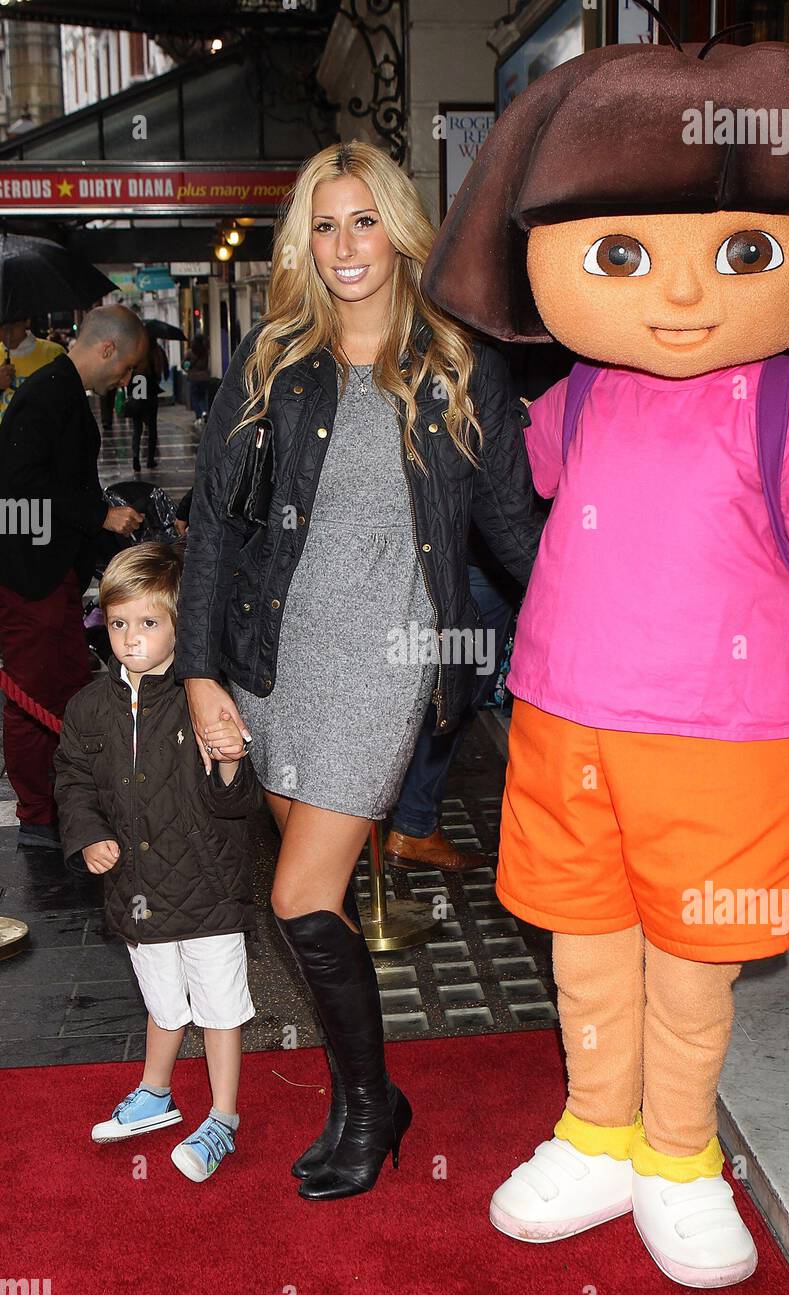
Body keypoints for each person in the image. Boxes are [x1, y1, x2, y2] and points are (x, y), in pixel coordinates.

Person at [423, 37, 789, 1287]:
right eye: (621, 255)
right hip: (566, 723)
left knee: (694, 968)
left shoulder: (788, 405)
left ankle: (681, 1155)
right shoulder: (574, 397)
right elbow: (551, 512)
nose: (679, 296)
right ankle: (599, 1130)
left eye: (740, 253)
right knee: (583, 946)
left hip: (730, 742)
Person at [173, 138, 545, 1202]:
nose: (345, 245)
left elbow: (514, 532)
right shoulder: (273, 362)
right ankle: (362, 1092)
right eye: (325, 224)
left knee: (296, 896)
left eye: (364, 220)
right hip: (273, 653)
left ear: (400, 230)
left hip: (387, 658)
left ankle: (373, 1107)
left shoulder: (459, 365)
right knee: (318, 900)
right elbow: (216, 534)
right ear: (306, 240)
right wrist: (201, 676)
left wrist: (616, 603)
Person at [53, 543, 262, 1182]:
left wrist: (228, 759)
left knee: (220, 1008)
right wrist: (88, 834)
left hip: (209, 888)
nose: (131, 638)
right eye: (119, 624)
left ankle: (223, 1116)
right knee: (163, 1001)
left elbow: (241, 802)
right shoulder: (91, 707)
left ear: (179, 625)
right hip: (137, 889)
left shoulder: (202, 698)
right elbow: (74, 779)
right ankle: (156, 1092)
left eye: (148, 623)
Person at [0, 303, 147, 848]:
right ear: (106, 348)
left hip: (53, 574)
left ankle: (63, 803)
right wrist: (98, 514)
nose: (126, 380)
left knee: (62, 688)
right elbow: (14, 490)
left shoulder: (63, 392)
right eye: (128, 367)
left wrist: (100, 513)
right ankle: (37, 812)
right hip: (28, 576)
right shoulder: (47, 392)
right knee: (32, 694)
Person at [385, 528, 520, 871]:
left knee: (425, 691)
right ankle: (412, 826)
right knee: (452, 699)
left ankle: (394, 817)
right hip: (479, 560)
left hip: (430, 556)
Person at [0, 316, 65, 421]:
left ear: (27, 321)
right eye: (3, 327)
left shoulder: (54, 352)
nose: (9, 333)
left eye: (15, 325)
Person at [127, 335, 168, 471]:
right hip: (149, 391)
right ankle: (150, 459)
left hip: (137, 391)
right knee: (151, 428)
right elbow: (160, 372)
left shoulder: (136, 351)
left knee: (137, 429)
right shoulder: (155, 351)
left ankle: (135, 459)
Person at [186, 335, 211, 425]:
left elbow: (185, 365)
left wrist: (188, 367)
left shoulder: (190, 352)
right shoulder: (205, 352)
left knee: (195, 398)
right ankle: (204, 411)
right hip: (204, 378)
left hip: (194, 378)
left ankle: (199, 415)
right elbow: (206, 364)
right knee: (202, 397)